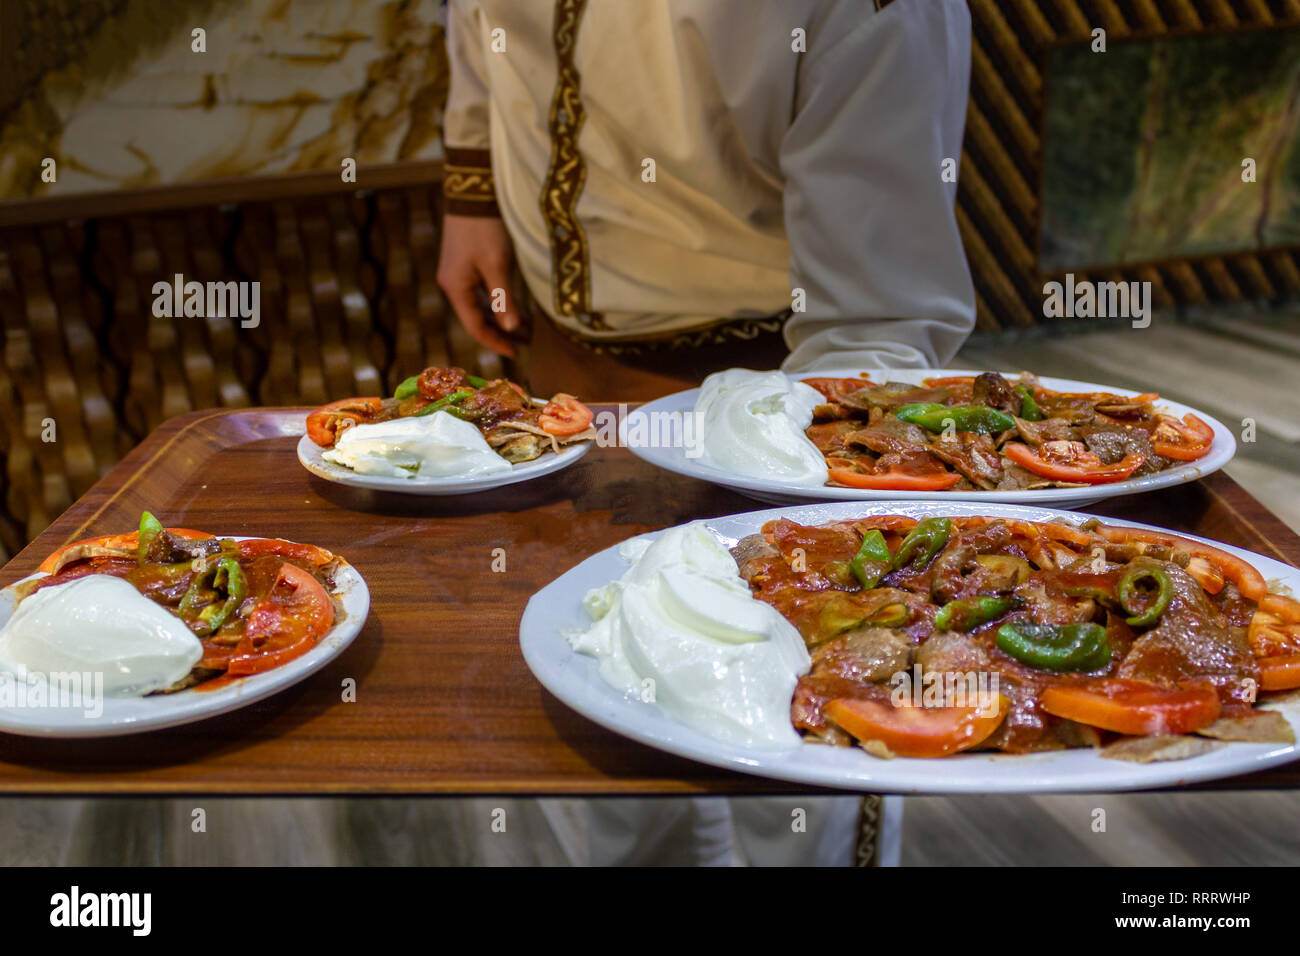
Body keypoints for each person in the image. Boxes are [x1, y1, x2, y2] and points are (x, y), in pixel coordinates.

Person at [437, 0, 976, 864]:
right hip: (568, 365)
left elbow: (877, 317)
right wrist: (474, 188)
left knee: (792, 765)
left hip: (781, 388)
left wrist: (809, 491)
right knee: (611, 694)